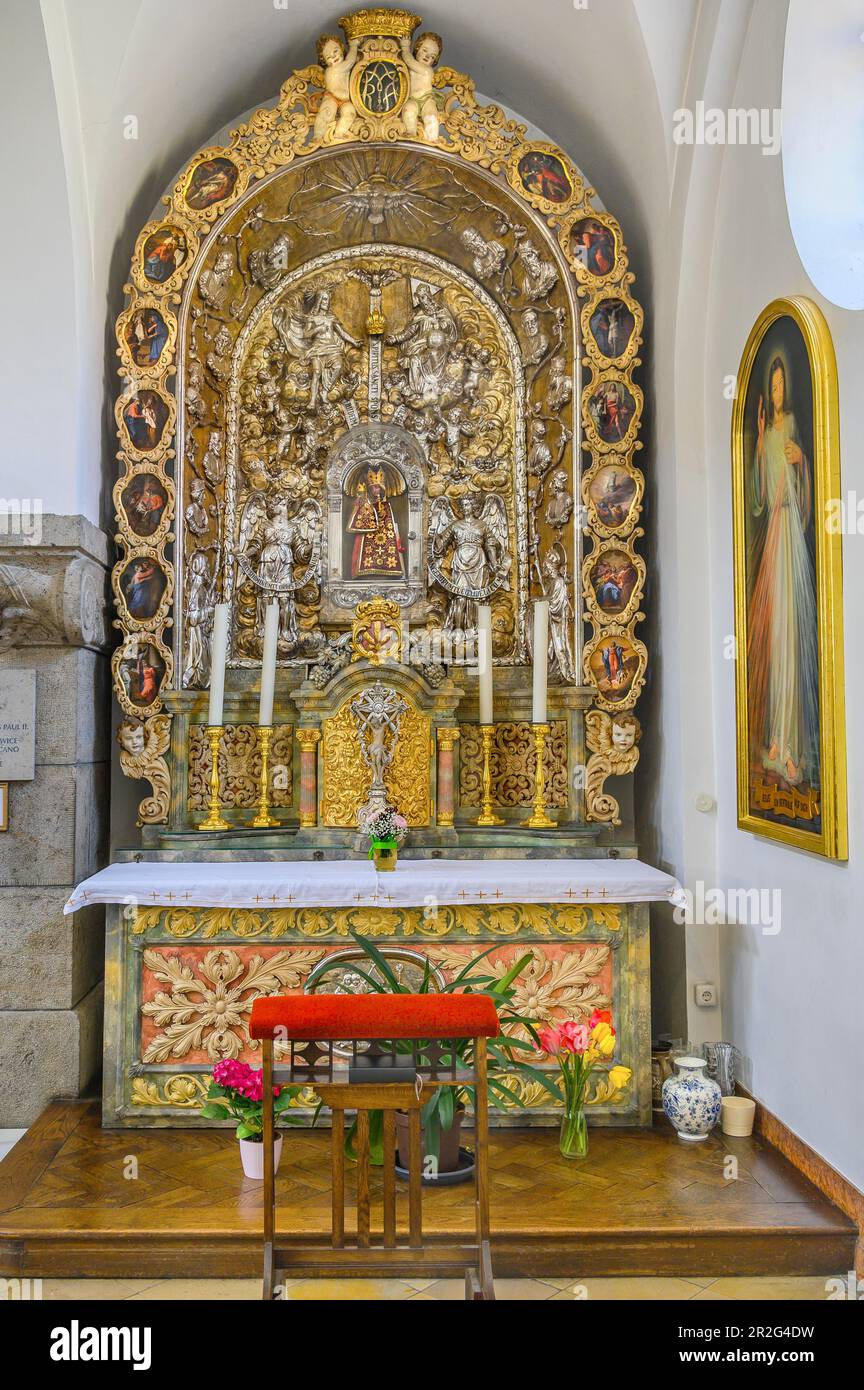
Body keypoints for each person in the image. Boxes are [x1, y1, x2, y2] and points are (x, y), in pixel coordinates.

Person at [747, 355, 818, 787]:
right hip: (773, 525)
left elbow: (797, 472)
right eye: (771, 386)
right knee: (774, 634)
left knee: (789, 628)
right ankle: (776, 739)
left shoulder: (790, 423)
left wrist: (802, 462)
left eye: (779, 385)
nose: (776, 392)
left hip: (789, 525)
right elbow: (757, 494)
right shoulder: (769, 430)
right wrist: (758, 444)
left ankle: (791, 745)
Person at [347, 465, 405, 578]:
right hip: (368, 537)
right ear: (369, 489)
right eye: (373, 488)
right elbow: (360, 520)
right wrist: (362, 503)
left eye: (378, 488)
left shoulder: (386, 505)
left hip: (385, 537)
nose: (376, 490)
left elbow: (390, 524)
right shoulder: (365, 503)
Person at [401, 32, 443, 142]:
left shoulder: (427, 70)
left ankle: (432, 139)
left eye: (432, 56)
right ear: (417, 48)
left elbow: (409, 60)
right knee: (408, 110)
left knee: (431, 116)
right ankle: (411, 132)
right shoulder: (411, 67)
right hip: (413, 99)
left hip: (427, 99)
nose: (428, 56)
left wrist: (405, 47)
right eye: (425, 50)